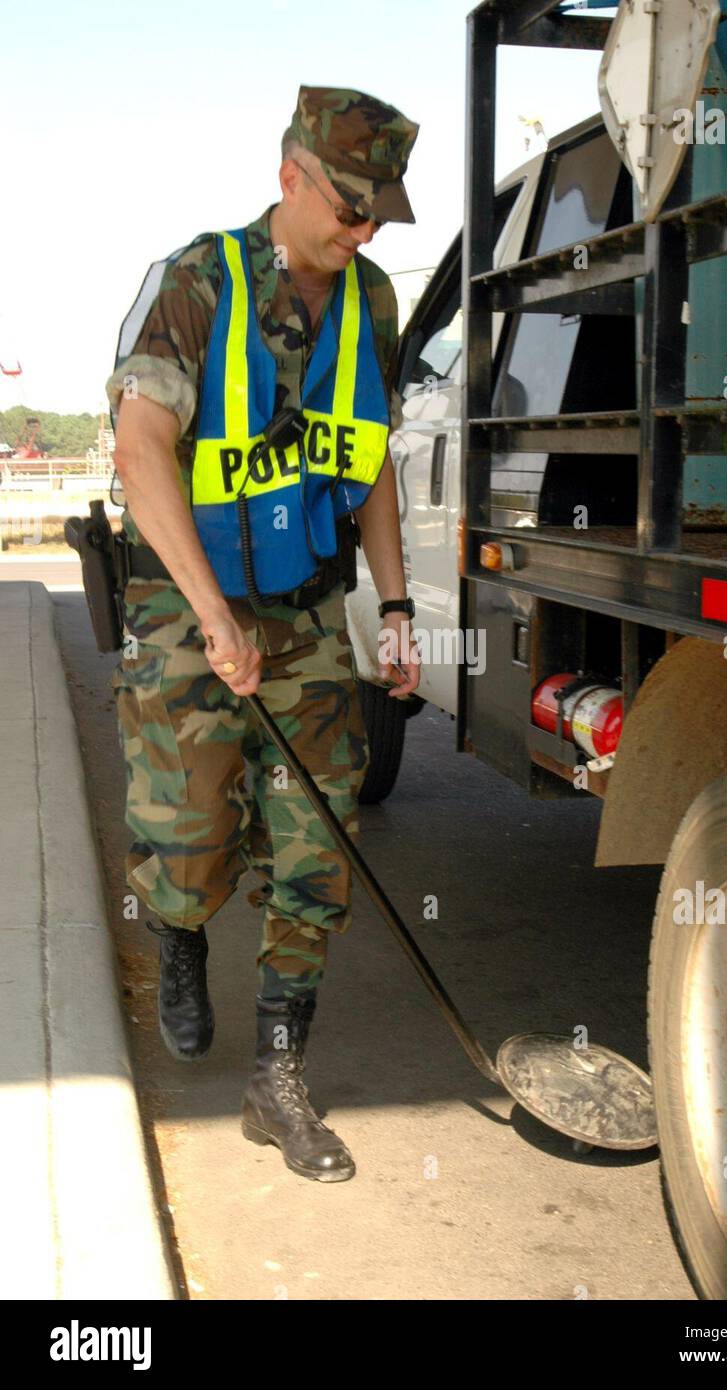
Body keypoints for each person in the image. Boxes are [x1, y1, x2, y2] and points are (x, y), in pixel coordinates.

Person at [105, 86, 422, 1183]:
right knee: (187, 844)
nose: (363, 232)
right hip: (185, 609)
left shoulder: (371, 301)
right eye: (348, 206)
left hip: (307, 614)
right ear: (290, 175)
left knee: (316, 846)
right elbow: (141, 449)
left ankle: (274, 1078)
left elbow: (368, 456)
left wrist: (393, 604)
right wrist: (208, 614)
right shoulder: (196, 282)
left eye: (379, 213)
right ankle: (181, 936)